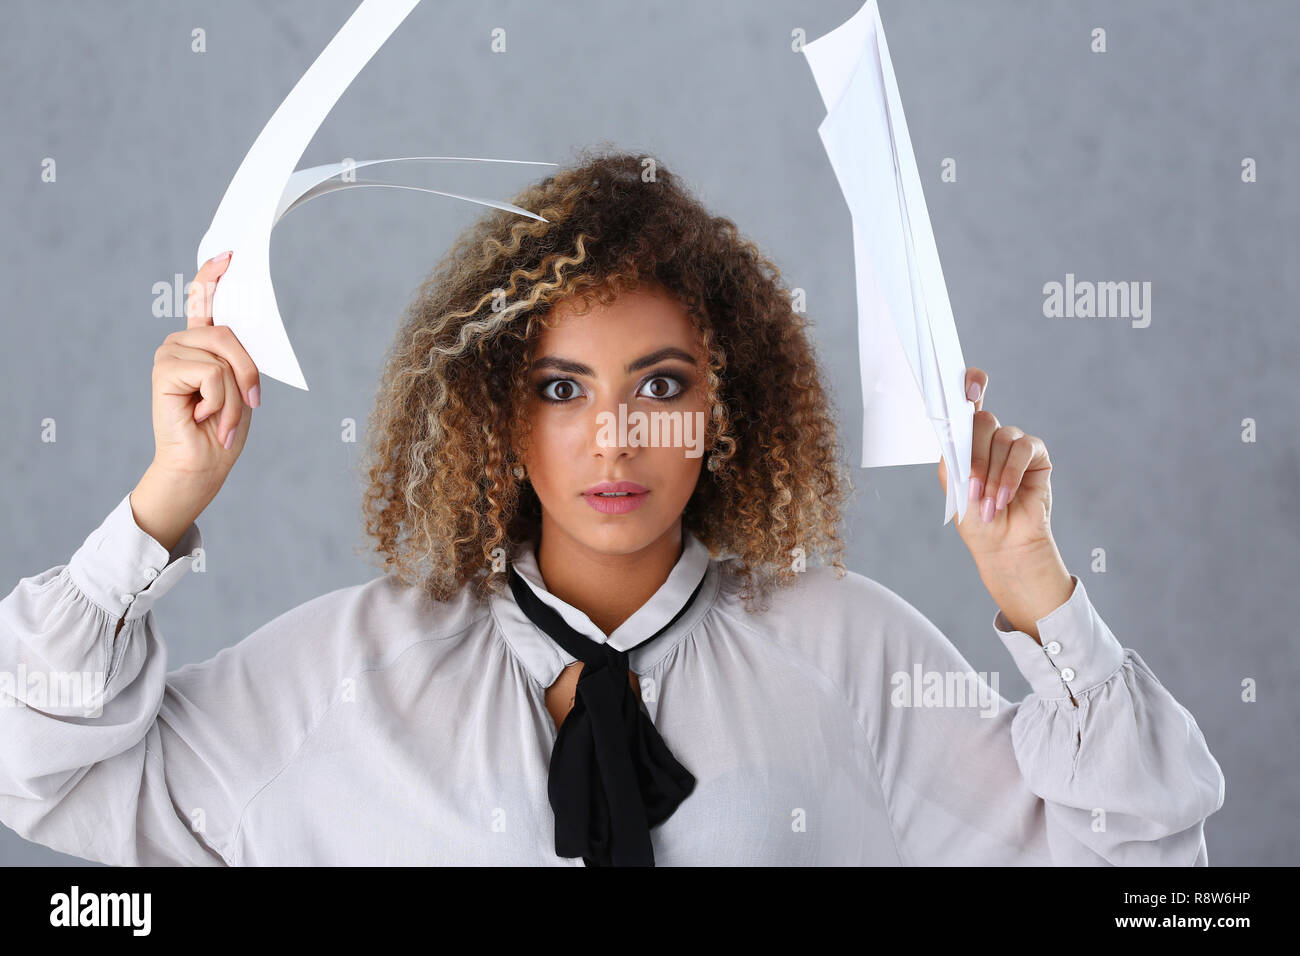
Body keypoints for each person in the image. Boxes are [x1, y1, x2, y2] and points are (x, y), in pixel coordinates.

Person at [0, 147, 1223, 866]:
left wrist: (1035, 588)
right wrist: (167, 499)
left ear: (721, 406)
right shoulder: (348, 671)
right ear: (499, 413)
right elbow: (34, 772)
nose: (617, 435)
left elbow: (1157, 884)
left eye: (661, 384)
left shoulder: (850, 652)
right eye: (559, 387)